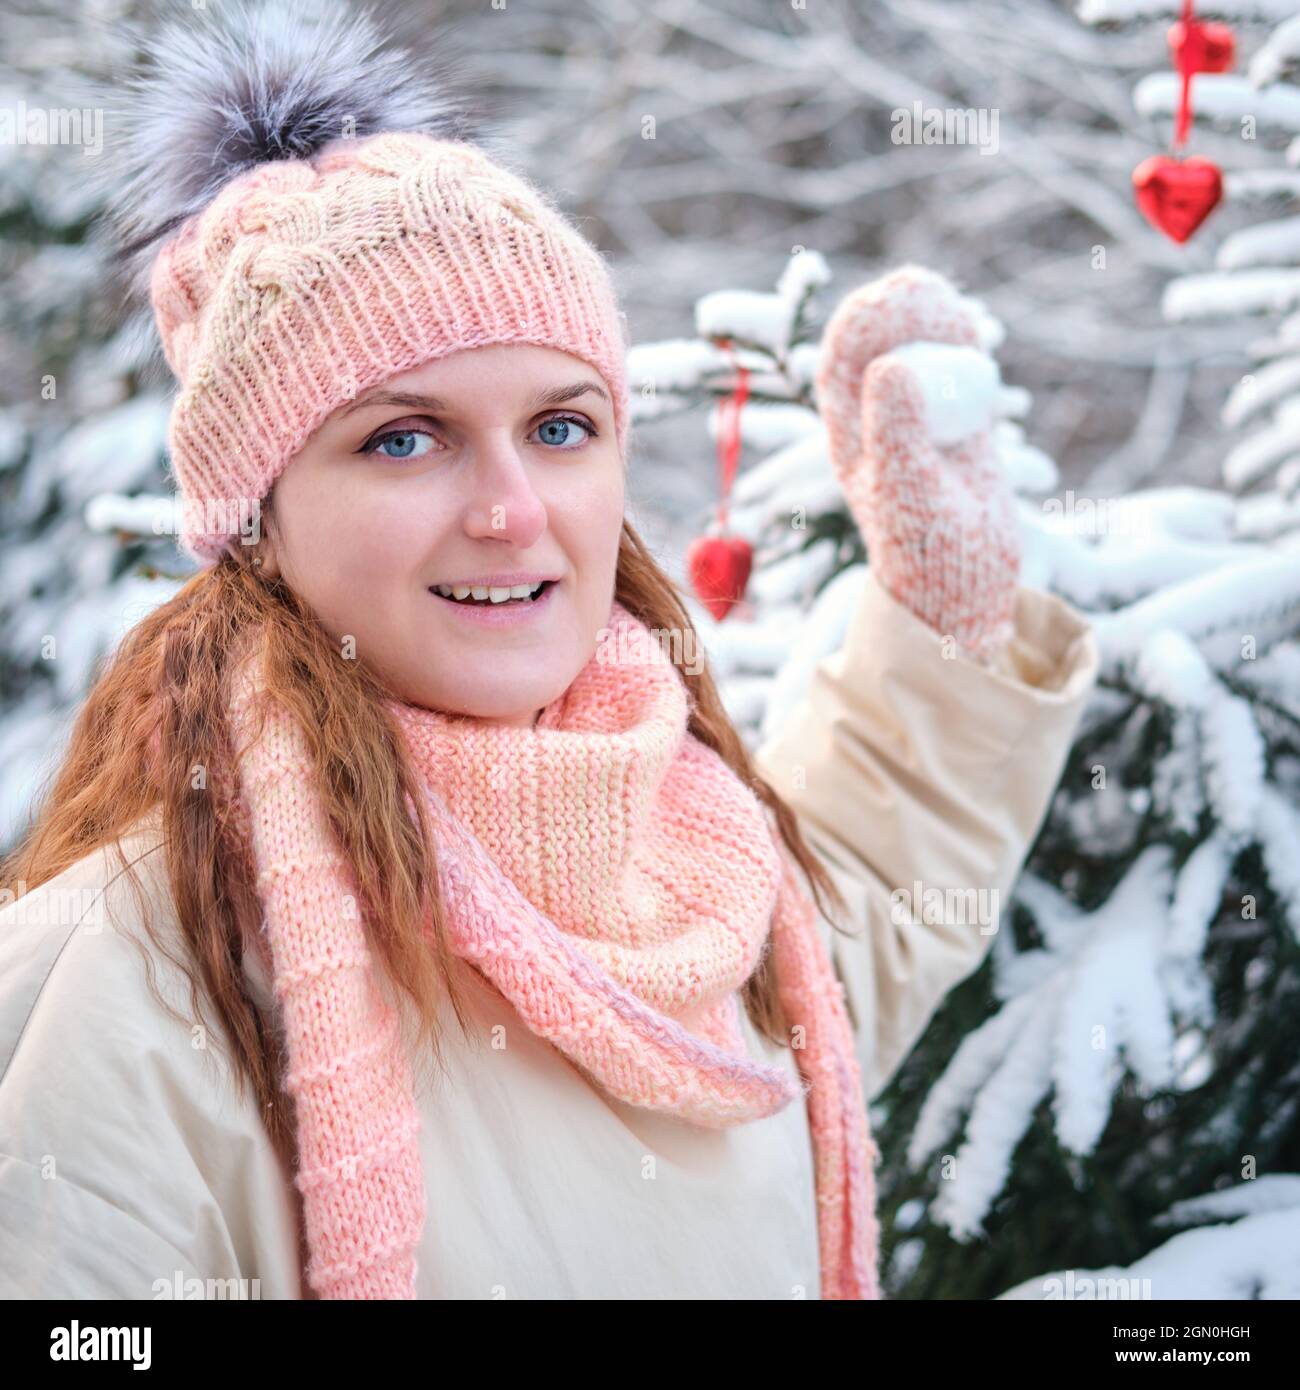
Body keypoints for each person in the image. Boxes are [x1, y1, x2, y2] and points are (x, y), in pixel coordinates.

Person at [0, 3, 1097, 1301]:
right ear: (259, 517)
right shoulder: (133, 982)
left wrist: (946, 627)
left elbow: (835, 954)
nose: (512, 508)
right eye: (404, 438)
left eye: (563, 427)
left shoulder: (684, 860)